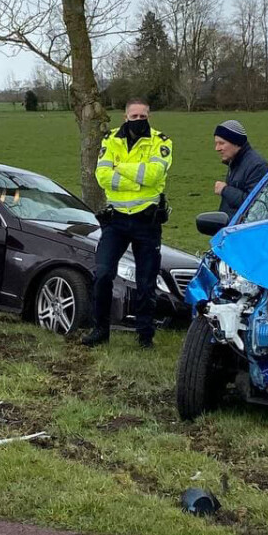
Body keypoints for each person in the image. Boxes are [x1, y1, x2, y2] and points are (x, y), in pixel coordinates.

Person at [83, 99, 172, 349]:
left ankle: (145, 336)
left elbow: (154, 174)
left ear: (149, 116)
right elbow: (102, 176)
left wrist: (119, 168)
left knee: (146, 282)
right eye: (134, 116)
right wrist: (136, 179)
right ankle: (100, 329)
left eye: (143, 116)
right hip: (117, 220)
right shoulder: (110, 139)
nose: (139, 120)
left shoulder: (161, 141)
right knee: (102, 274)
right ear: (125, 117)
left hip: (147, 220)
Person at [212, 119, 268, 219]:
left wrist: (225, 190)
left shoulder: (257, 166)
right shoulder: (235, 163)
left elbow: (256, 204)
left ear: (236, 142)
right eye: (216, 143)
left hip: (246, 231)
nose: (217, 148)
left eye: (221, 143)